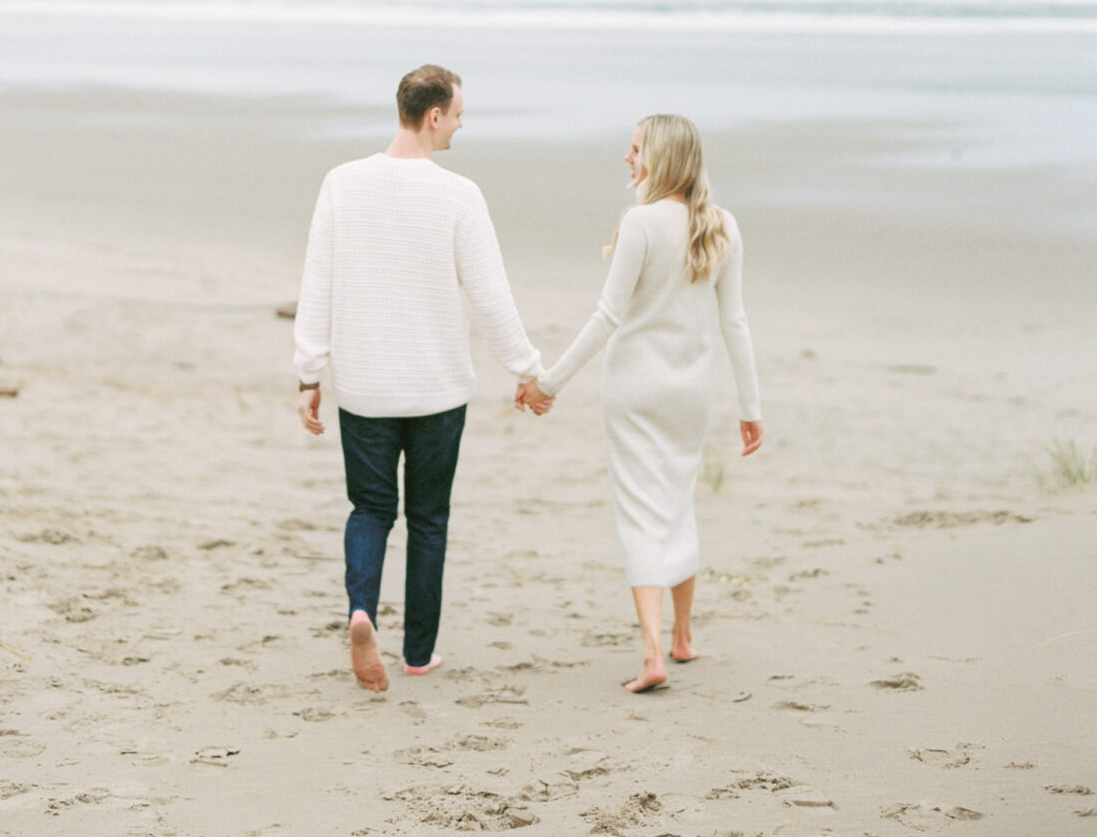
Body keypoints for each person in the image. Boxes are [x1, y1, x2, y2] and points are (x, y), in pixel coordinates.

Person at [293, 64, 545, 693]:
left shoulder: (341, 184)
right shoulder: (459, 195)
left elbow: (316, 282)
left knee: (371, 509)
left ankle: (360, 611)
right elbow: (490, 297)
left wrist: (308, 372)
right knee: (429, 518)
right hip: (436, 390)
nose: (461, 124)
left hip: (365, 386)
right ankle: (418, 653)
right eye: (458, 113)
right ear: (434, 116)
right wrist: (527, 369)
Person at [517, 114, 763, 693]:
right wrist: (750, 407)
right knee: (676, 504)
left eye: (635, 151)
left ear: (661, 158)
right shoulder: (723, 225)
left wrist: (548, 383)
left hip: (634, 390)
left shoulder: (641, 223)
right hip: (690, 393)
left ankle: (653, 652)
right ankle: (683, 637)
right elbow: (736, 322)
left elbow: (608, 317)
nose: (627, 160)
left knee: (640, 517)